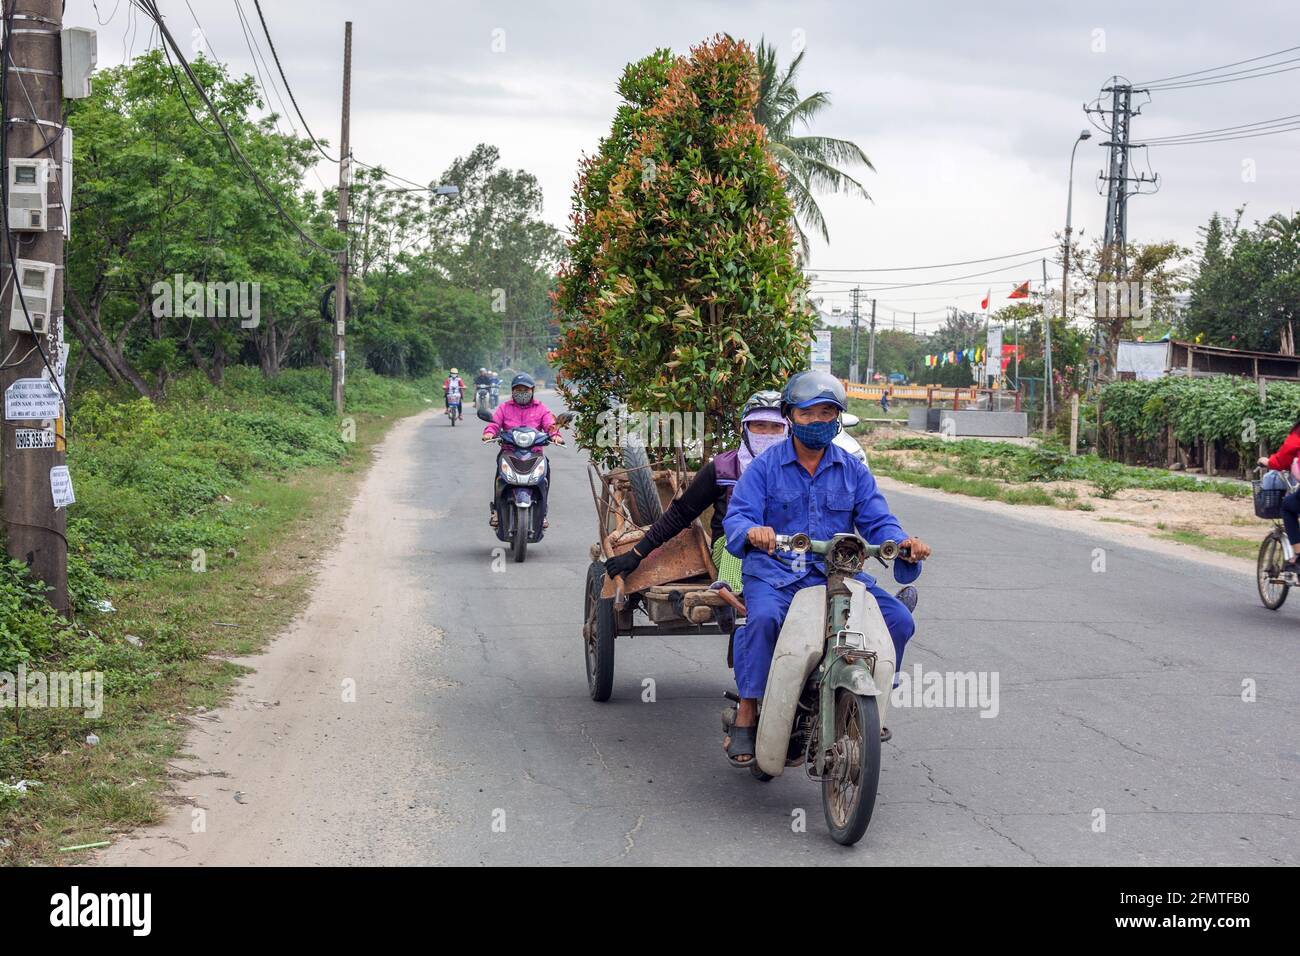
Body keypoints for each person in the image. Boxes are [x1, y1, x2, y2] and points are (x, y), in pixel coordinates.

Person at [721, 370, 932, 765]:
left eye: (828, 413)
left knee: (900, 620)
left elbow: (878, 521)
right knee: (763, 619)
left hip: (840, 576)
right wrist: (755, 532)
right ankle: (748, 712)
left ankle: (874, 705)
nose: (819, 421)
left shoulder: (853, 470)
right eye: (809, 414)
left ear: (838, 419)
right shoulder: (764, 469)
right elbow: (738, 520)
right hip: (776, 574)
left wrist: (902, 543)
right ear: (790, 416)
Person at [603, 391, 789, 596]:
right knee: (737, 540)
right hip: (732, 550)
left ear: (788, 430)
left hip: (787, 547)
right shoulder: (722, 469)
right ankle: (729, 596)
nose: (767, 434)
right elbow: (681, 513)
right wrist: (636, 554)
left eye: (776, 427)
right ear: (745, 428)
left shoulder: (799, 471)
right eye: (759, 425)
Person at [482, 373, 564, 528]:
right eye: (518, 389)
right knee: (500, 476)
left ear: (532, 390)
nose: (522, 392)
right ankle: (497, 512)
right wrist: (489, 433)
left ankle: (543, 512)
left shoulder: (541, 408)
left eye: (525, 389)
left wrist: (555, 436)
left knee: (545, 475)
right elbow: (494, 423)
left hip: (534, 452)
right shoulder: (504, 408)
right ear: (512, 391)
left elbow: (550, 426)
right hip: (509, 451)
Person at [1259, 418, 1300, 574]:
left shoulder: (1297, 434)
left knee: (1288, 506)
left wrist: (1268, 461)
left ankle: (1298, 554)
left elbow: (1283, 457)